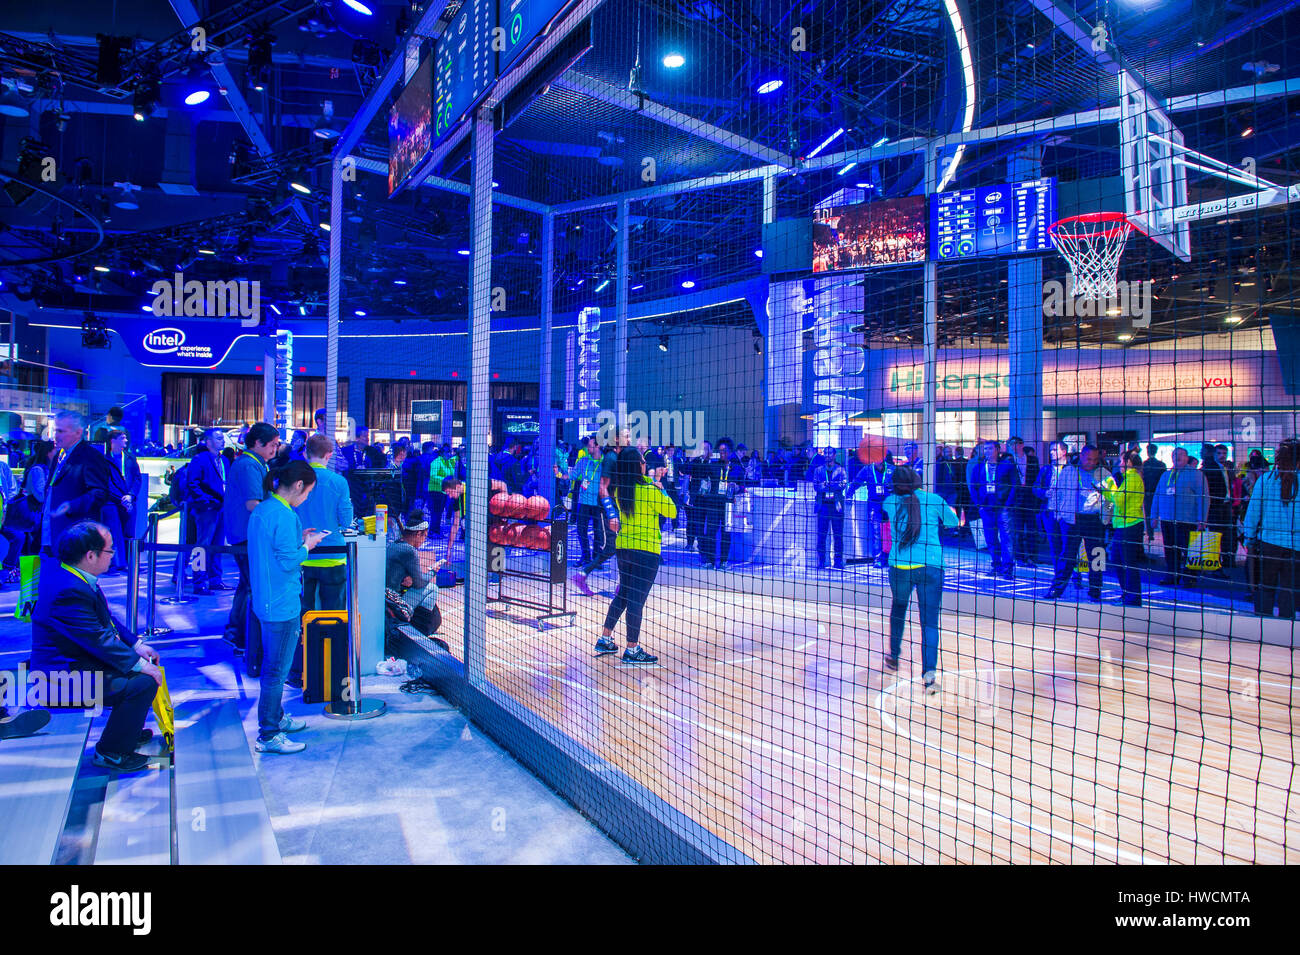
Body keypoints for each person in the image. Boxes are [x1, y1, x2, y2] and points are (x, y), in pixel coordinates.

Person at [30, 521, 162, 772]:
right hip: (58, 679)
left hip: (76, 662)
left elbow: (103, 620)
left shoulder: (70, 574)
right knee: (141, 682)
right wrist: (140, 664)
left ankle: (126, 731)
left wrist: (135, 644)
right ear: (91, 555)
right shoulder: (68, 590)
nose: (113, 555)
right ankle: (112, 752)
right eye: (110, 551)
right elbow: (98, 640)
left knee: (141, 672)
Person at [247, 461, 329, 755]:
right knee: (275, 672)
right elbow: (288, 561)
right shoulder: (283, 515)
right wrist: (309, 546)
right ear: (298, 486)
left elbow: (273, 552)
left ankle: (276, 719)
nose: (306, 497)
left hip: (266, 599)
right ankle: (268, 733)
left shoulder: (264, 510)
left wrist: (299, 540)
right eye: (308, 492)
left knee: (274, 667)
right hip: (281, 603)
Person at [592, 447, 675, 664]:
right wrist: (660, 487)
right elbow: (672, 511)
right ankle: (632, 649)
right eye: (642, 461)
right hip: (646, 551)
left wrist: (654, 482)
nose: (645, 463)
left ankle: (605, 638)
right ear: (638, 465)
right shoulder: (649, 490)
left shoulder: (621, 490)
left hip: (624, 549)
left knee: (624, 595)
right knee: (636, 599)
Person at [881, 466, 959, 693]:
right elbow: (954, 522)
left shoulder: (890, 502)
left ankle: (894, 656)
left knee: (899, 608)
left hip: (900, 567)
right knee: (929, 622)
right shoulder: (934, 500)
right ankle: (929, 677)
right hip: (931, 567)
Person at [292, 433, 355, 687]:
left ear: (306, 452)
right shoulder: (338, 482)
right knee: (334, 613)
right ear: (329, 455)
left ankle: (299, 670)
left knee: (301, 615)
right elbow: (346, 520)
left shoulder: (295, 478)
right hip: (333, 556)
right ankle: (333, 668)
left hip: (302, 556)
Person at [222, 423, 280, 666]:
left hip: (247, 534)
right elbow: (253, 503)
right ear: (258, 443)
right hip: (246, 535)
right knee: (251, 586)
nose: (276, 449)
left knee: (246, 585)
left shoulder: (256, 463)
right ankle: (241, 636)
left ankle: (236, 632)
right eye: (273, 444)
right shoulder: (248, 465)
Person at [42, 411, 127, 558]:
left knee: (73, 580)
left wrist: (71, 505)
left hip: (74, 537)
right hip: (50, 534)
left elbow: (99, 493)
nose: (56, 435)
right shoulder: (59, 456)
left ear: (78, 432)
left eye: (61, 431)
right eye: (56, 430)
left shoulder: (90, 457)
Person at [1045, 445, 1113, 601]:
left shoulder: (1105, 475)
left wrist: (1105, 518)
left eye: (1095, 459)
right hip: (1071, 520)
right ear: (1081, 456)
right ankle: (1057, 589)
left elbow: (1111, 500)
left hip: (1094, 520)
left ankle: (1095, 591)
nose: (1092, 462)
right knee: (1067, 557)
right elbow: (1058, 493)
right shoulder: (1068, 471)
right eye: (1089, 459)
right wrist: (1059, 514)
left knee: (1097, 558)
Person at [1244, 439, 1300, 619]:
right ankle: (1285, 628)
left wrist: (1249, 538)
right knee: (1289, 589)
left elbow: (1253, 514)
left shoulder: (1265, 480)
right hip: (1297, 546)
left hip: (1268, 544)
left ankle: (1262, 624)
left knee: (1265, 587)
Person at [1152, 447, 1208, 589]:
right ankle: (1172, 575)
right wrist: (1154, 516)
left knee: (1190, 550)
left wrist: (1202, 519)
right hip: (1167, 520)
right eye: (1175, 455)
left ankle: (1190, 577)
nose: (1177, 457)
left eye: (1181, 455)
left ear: (1187, 457)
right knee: (1170, 550)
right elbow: (1157, 496)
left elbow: (1204, 498)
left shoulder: (1196, 475)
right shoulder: (1166, 474)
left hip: (1187, 520)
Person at [184, 428, 229, 594]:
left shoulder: (224, 460)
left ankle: (215, 580)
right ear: (208, 441)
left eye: (222, 438)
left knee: (217, 546)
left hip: (221, 507)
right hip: (207, 509)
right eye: (218, 438)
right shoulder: (200, 459)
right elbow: (192, 484)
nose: (222, 441)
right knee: (202, 546)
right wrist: (206, 501)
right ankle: (199, 582)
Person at [2, 441, 54, 583]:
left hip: (40, 515)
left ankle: (22, 573)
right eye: (55, 450)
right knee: (29, 542)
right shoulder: (38, 470)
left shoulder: (48, 469)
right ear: (48, 452)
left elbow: (12, 489)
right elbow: (40, 495)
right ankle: (20, 573)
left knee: (27, 541)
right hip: (34, 514)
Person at [968, 440, 1018, 580]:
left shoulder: (1007, 465)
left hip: (1003, 508)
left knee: (1007, 538)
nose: (987, 451)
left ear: (997, 450)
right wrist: (979, 504)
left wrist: (1008, 504)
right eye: (985, 449)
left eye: (990, 449)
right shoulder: (978, 467)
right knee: (990, 538)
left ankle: (1008, 568)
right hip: (986, 508)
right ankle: (996, 565)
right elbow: (973, 487)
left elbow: (1015, 485)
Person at [1103, 450, 1147, 606]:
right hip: (1122, 525)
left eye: (1121, 461)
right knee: (1116, 558)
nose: (1119, 464)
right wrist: (1105, 490)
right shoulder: (1128, 478)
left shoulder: (1133, 478)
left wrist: (1110, 485)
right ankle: (1127, 594)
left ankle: (1133, 597)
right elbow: (1115, 499)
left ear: (1129, 462)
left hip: (1130, 525)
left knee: (1128, 562)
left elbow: (1119, 500)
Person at [386, 509, 444, 621]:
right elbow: (419, 583)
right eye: (424, 537)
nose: (424, 541)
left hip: (386, 597)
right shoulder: (409, 551)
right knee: (432, 588)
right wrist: (433, 571)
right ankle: (420, 626)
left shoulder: (395, 544)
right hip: (394, 602)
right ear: (418, 534)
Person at [1035, 441, 1072, 585]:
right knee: (1054, 546)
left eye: (1055, 450)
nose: (1051, 453)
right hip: (1049, 513)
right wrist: (1044, 493)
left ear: (1064, 451)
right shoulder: (1045, 470)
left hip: (1067, 514)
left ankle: (1075, 576)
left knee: (1069, 546)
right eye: (1050, 450)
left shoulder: (1072, 470)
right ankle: (1058, 576)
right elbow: (1035, 488)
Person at [812, 448, 848, 570]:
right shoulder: (818, 470)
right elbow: (816, 486)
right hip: (823, 506)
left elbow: (843, 485)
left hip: (836, 506)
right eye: (825, 454)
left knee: (838, 535)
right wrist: (830, 486)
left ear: (834, 455)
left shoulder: (841, 469)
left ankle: (838, 562)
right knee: (821, 535)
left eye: (829, 454)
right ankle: (821, 562)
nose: (827, 456)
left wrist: (828, 485)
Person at [1200, 443, 1232, 578]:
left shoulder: (1224, 468)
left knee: (1220, 535)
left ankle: (1217, 563)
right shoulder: (1210, 468)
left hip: (1224, 505)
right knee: (1214, 535)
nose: (1222, 456)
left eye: (1224, 453)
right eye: (1219, 453)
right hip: (1215, 506)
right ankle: (1214, 565)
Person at [1008, 437, 1039, 566]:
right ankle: (1019, 557)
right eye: (1011, 445)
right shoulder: (1008, 461)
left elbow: (1037, 478)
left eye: (1015, 444)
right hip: (1015, 497)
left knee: (1032, 529)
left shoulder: (1032, 460)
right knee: (1017, 530)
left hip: (1029, 497)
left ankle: (1032, 557)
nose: (1013, 447)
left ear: (1022, 445)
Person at [862, 452, 894, 567]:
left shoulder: (892, 469)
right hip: (874, 505)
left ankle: (891, 557)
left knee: (891, 532)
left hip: (889, 506)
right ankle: (878, 559)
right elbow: (856, 481)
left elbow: (900, 485)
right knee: (876, 532)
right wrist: (849, 494)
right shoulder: (867, 469)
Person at [1141, 444, 1167, 544]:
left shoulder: (1144, 465)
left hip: (1148, 493)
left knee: (1148, 514)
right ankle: (1160, 533)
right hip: (1158, 492)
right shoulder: (1161, 465)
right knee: (1161, 513)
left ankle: (1150, 534)